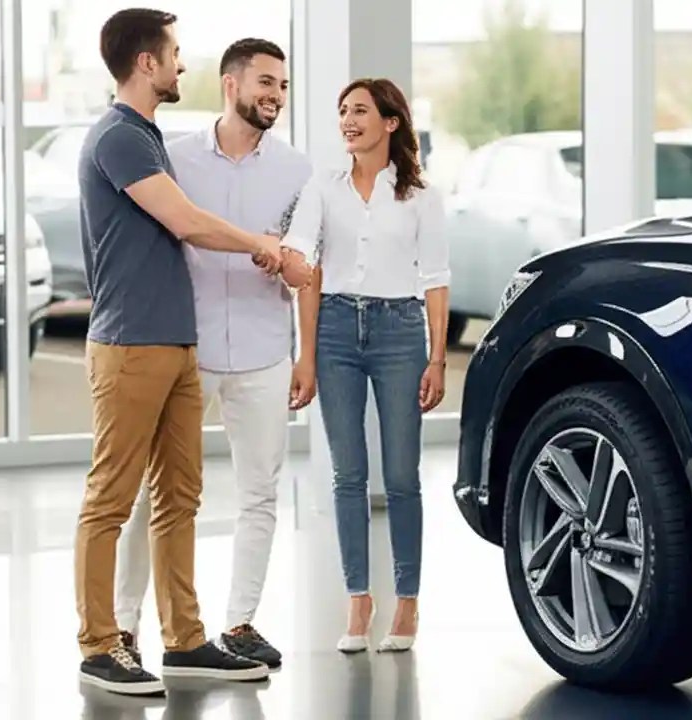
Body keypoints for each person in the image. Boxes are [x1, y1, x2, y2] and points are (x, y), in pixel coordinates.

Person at [74, 9, 284, 695]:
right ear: (145, 64)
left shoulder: (146, 135)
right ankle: (100, 645)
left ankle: (185, 639)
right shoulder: (119, 138)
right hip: (130, 345)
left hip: (175, 344)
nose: (180, 65)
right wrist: (261, 243)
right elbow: (186, 222)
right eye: (173, 54)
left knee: (179, 499)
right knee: (111, 500)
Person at [112, 37, 315, 671]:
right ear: (230, 85)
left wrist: (303, 350)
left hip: (263, 351)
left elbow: (306, 266)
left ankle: (241, 623)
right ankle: (124, 627)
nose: (275, 96)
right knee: (156, 495)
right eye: (265, 83)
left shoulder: (297, 170)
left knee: (260, 493)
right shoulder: (171, 159)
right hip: (186, 349)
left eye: (282, 86)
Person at [279, 78, 450, 654]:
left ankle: (408, 602)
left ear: (391, 122)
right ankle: (358, 601)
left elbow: (435, 280)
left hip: (401, 331)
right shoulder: (323, 189)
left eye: (359, 111)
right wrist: (304, 354)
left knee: (402, 477)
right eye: (342, 111)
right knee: (347, 475)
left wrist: (437, 358)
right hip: (334, 330)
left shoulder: (421, 196)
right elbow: (302, 258)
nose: (347, 120)